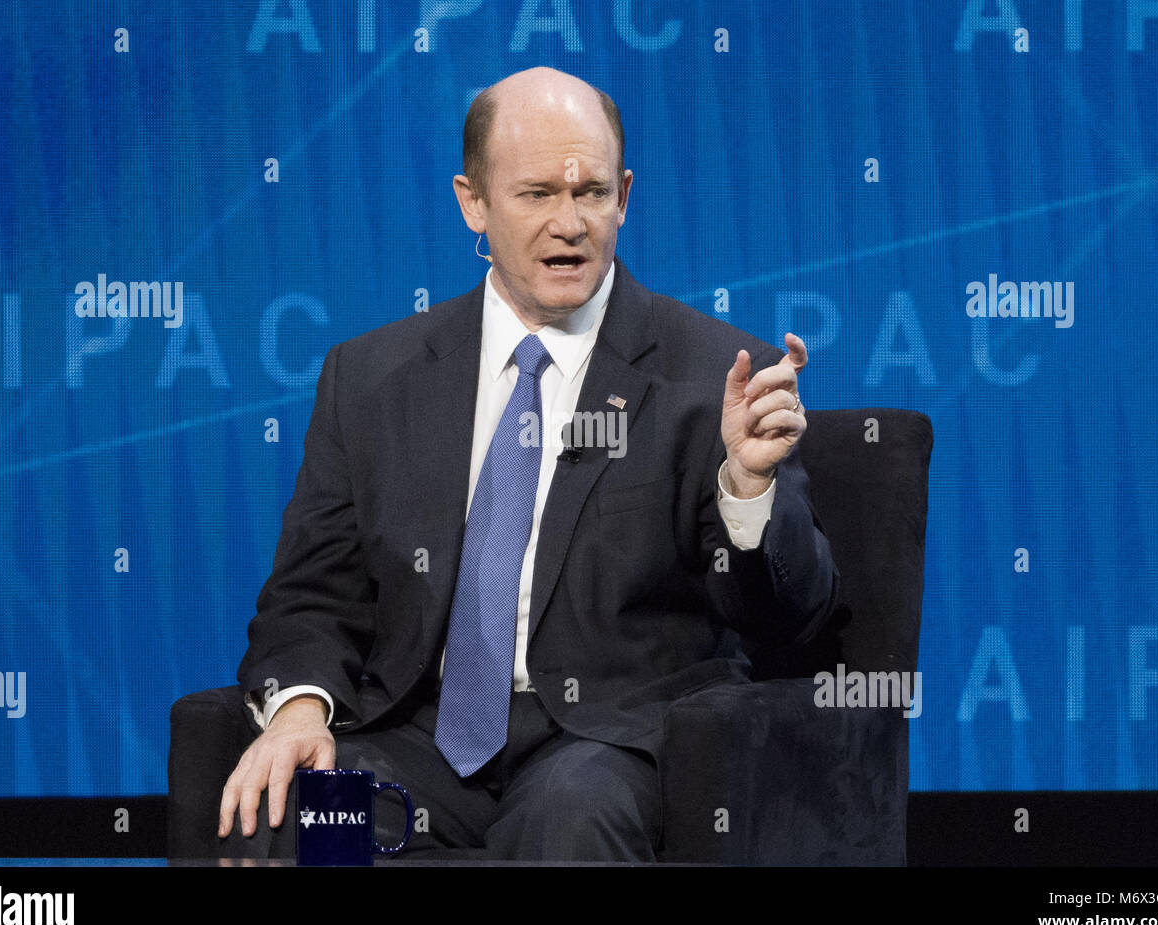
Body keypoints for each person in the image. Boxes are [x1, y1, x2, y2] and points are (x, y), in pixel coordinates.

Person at [217, 66, 839, 861]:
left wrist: (748, 488)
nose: (570, 223)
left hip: (607, 742)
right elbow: (311, 594)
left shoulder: (712, 373)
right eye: (538, 194)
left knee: (567, 824)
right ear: (472, 202)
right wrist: (300, 711)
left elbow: (792, 618)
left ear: (625, 195)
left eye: (592, 193)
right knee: (291, 822)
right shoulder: (371, 380)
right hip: (418, 738)